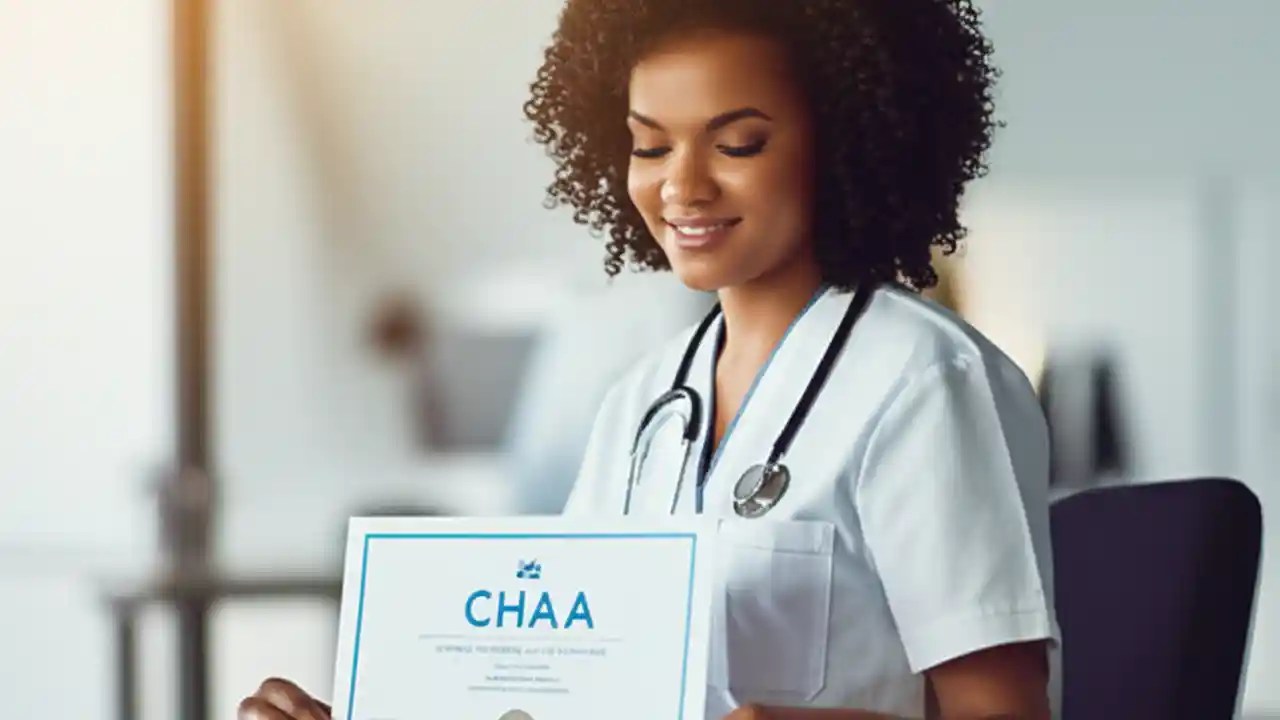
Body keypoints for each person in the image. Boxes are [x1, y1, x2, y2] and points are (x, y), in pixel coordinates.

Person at [239, 0, 1060, 718]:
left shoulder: (926, 382)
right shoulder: (641, 404)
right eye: (650, 146)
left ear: (846, 142)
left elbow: (1003, 713)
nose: (683, 187)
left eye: (738, 144)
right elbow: (559, 698)